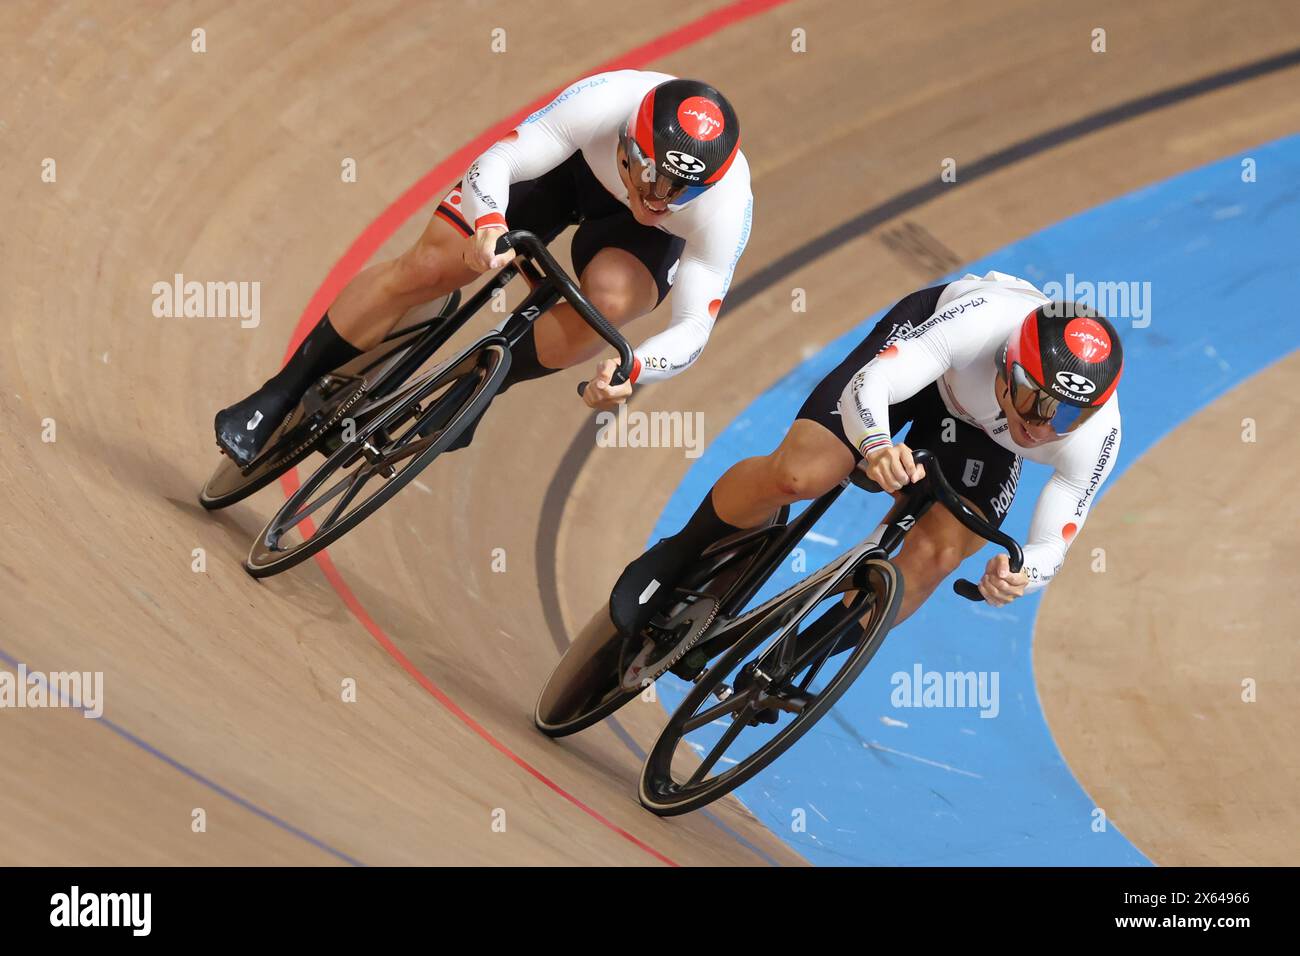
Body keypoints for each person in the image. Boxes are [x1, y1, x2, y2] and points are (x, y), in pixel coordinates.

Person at [213, 71, 752, 465]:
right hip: (565, 170)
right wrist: (489, 223)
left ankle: (482, 386)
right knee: (429, 265)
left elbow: (693, 328)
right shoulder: (606, 101)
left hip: (634, 244)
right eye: (655, 180)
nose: (661, 200)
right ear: (630, 142)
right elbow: (500, 161)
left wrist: (633, 370)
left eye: (683, 192)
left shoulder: (724, 206)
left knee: (606, 308)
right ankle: (282, 390)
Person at [611, 272, 1125, 663]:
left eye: (1071, 415)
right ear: (1008, 365)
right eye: (1037, 402)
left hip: (982, 432)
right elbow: (872, 384)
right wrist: (876, 445)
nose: (1043, 428)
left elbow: (1052, 545)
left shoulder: (1096, 434)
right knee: (804, 474)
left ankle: (794, 660)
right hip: (922, 366)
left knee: (940, 553)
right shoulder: (981, 322)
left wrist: (1022, 574)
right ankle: (682, 551)